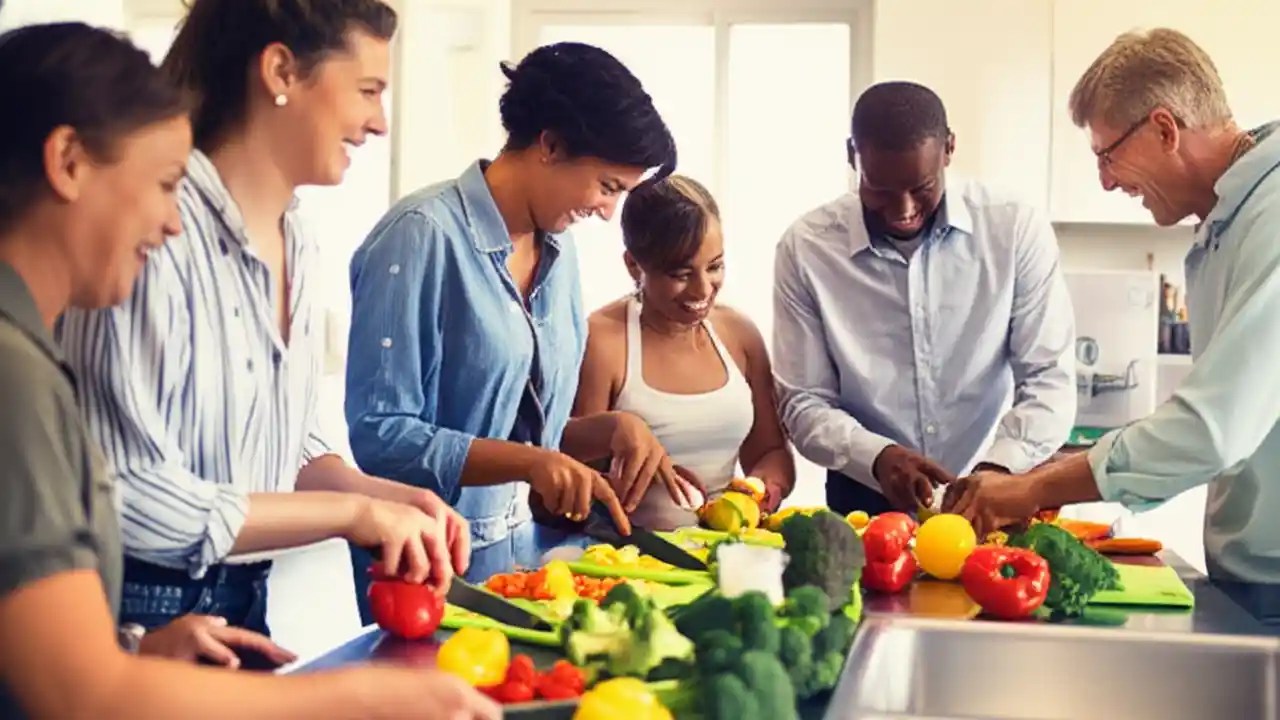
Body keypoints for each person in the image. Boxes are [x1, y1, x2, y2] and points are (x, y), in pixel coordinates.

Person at [0, 22, 499, 720]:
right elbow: (78, 689)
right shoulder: (18, 371)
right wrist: (357, 693)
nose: (173, 222)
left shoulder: (298, 236)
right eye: (165, 185)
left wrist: (135, 648)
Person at [344, 41, 677, 613]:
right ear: (549, 145)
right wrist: (531, 463)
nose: (607, 212)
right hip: (420, 558)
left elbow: (519, 432)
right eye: (606, 187)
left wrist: (610, 429)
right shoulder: (420, 235)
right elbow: (380, 435)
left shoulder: (559, 251)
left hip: (512, 550)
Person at [943, 29, 1280, 583]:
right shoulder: (1227, 222)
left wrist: (1035, 487)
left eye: (1107, 155)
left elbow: (1212, 430)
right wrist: (1065, 468)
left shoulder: (1270, 216)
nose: (1104, 181)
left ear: (1164, 128)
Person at [772, 80, 1077, 518]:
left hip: (997, 483)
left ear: (949, 149)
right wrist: (876, 457)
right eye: (879, 188)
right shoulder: (806, 249)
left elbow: (1049, 376)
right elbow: (804, 401)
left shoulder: (1014, 229)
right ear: (851, 155)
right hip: (864, 494)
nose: (903, 209)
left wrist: (997, 469)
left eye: (922, 186)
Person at [573, 175, 795, 530]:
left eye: (715, 266)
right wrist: (621, 477)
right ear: (633, 265)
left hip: (722, 552)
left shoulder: (738, 334)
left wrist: (767, 485)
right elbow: (570, 476)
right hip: (627, 558)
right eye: (681, 273)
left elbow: (770, 451)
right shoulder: (602, 341)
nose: (703, 289)